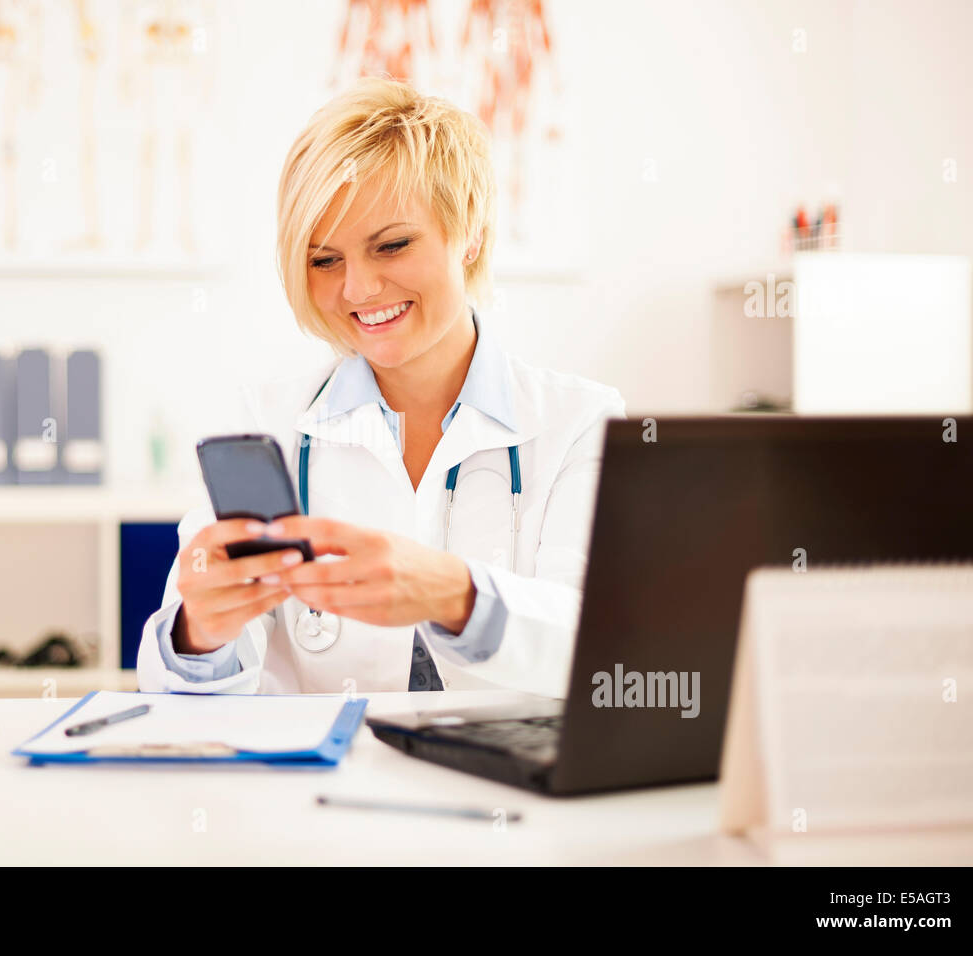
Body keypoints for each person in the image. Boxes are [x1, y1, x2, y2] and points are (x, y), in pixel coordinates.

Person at [137, 77, 625, 697]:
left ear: (469, 232)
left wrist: (454, 594)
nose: (358, 289)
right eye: (323, 259)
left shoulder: (582, 420)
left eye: (391, 245)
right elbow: (174, 692)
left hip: (505, 787)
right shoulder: (266, 421)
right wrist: (200, 631)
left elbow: (598, 648)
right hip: (318, 788)